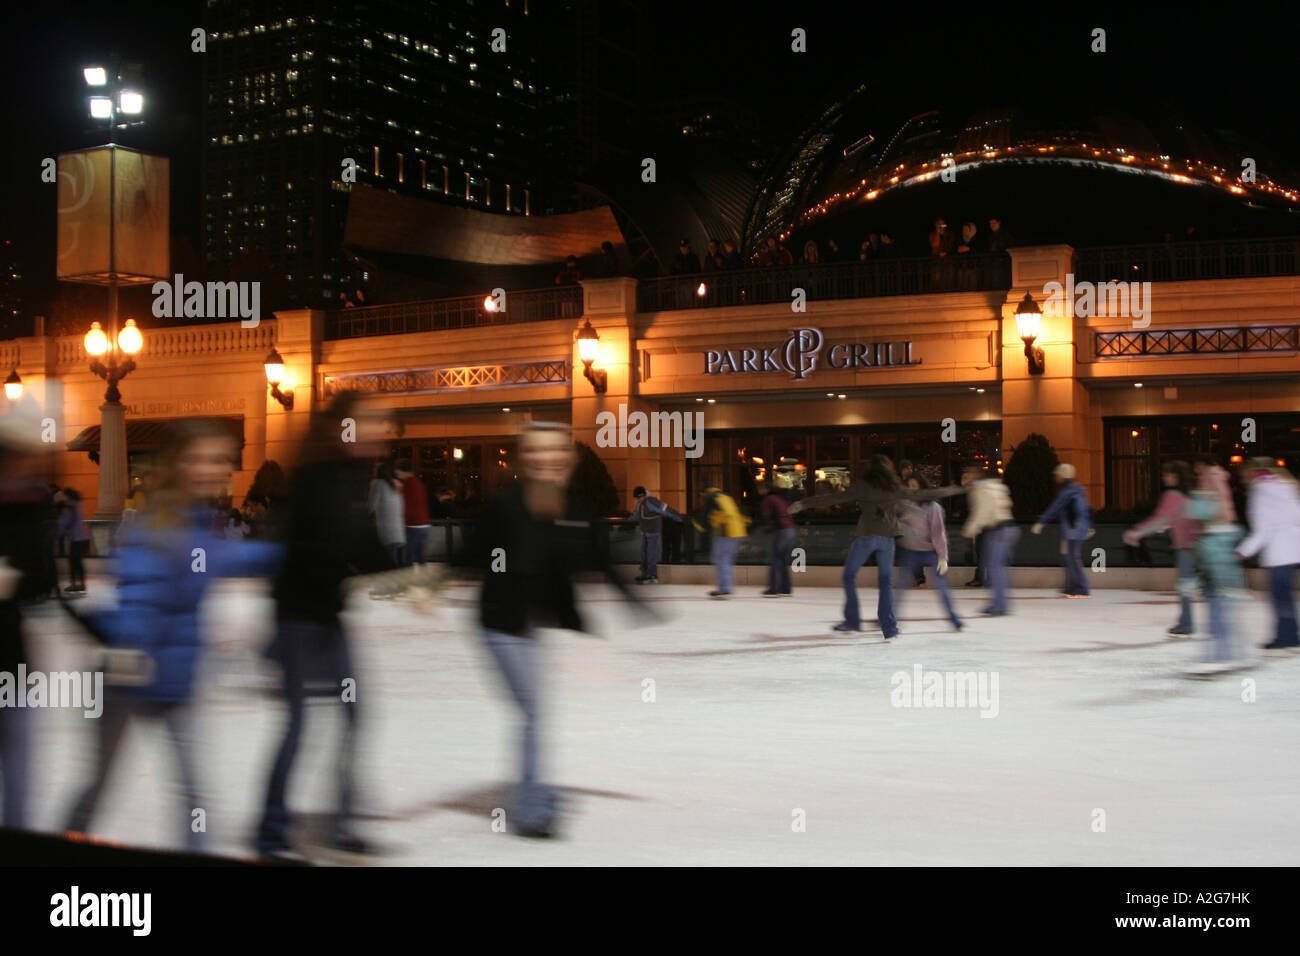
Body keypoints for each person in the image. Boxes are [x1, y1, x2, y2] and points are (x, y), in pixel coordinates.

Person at [64, 418, 282, 851]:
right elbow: (140, 594)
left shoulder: (198, 523)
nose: (214, 468)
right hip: (125, 678)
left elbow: (232, 556)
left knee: (194, 796)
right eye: (202, 458)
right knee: (99, 785)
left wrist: (302, 550)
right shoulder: (156, 522)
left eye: (220, 459)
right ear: (179, 464)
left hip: (175, 678)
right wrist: (133, 648)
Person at [464, 422, 651, 837]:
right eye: (536, 450)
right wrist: (426, 580)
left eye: (555, 450)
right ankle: (532, 812)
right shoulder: (505, 505)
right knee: (531, 713)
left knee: (534, 714)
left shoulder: (577, 509)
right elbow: (471, 556)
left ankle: (536, 795)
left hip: (534, 628)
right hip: (499, 624)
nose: (546, 457)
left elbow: (600, 562)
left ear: (569, 457)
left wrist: (638, 603)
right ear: (525, 458)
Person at [256, 392, 393, 859]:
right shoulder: (317, 478)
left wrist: (413, 578)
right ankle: (271, 833)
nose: (381, 431)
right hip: (299, 618)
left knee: (353, 714)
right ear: (344, 428)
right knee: (298, 726)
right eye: (372, 421)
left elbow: (364, 545)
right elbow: (322, 548)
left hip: (327, 618)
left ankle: (341, 825)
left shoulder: (352, 478)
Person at [791, 456, 962, 636]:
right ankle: (889, 628)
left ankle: (852, 621)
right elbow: (920, 495)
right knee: (886, 582)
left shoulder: (863, 485)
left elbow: (834, 498)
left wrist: (803, 504)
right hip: (887, 539)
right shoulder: (892, 487)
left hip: (867, 536)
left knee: (849, 576)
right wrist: (949, 490)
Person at [0, 404, 57, 830]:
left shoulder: (32, 505)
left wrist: (15, 578)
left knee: (19, 752)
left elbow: (42, 582)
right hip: (11, 651)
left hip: (11, 652)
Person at [1123, 461, 1197, 636]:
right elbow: (1178, 517)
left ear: (1175, 476)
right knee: (1191, 586)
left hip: (1186, 547)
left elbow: (1160, 519)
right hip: (1198, 544)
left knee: (1186, 587)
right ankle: (1187, 622)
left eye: (1167, 474)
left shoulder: (1172, 495)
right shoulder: (1187, 495)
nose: (1164, 477)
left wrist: (1136, 532)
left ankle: (1187, 624)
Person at [1235, 458, 1300, 653]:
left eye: (1243, 476)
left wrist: (1242, 552)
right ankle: (1289, 635)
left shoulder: (1261, 491)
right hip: (1293, 546)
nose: (1243, 480)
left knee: (1280, 596)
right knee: (1285, 595)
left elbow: (1262, 530)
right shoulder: (1285, 484)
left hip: (1278, 550)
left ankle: (1286, 637)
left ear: (1250, 473)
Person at [895, 475, 963, 631]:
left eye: (914, 485)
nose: (911, 489)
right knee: (900, 586)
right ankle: (890, 616)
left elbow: (938, 533)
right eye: (909, 485)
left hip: (930, 552)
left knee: (941, 586)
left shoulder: (934, 508)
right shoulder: (904, 505)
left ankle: (953, 619)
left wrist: (942, 557)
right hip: (910, 551)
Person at [961, 462, 1018, 616]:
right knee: (997, 568)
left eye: (968, 475)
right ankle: (1000, 603)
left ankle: (999, 605)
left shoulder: (980, 489)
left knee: (994, 568)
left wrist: (968, 531)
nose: (966, 478)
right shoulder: (995, 486)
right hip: (1009, 528)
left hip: (998, 530)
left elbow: (981, 512)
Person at [1032, 463, 1094, 597]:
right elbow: (1086, 509)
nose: (1056, 477)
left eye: (1058, 475)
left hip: (1073, 530)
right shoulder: (1078, 489)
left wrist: (1041, 523)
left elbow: (1055, 508)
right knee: (1068, 558)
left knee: (1072, 559)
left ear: (1063, 476)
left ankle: (1081, 588)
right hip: (1076, 530)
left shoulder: (1067, 491)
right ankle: (1071, 587)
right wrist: (1089, 526)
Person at [691, 486, 750, 598]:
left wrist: (698, 526)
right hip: (737, 530)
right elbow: (741, 510)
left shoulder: (711, 497)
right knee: (726, 560)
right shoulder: (725, 496)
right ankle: (725, 588)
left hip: (727, 531)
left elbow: (704, 515)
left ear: (703, 492)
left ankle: (725, 589)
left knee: (721, 559)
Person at [629, 486, 682, 584]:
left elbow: (665, 509)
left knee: (651, 553)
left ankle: (652, 575)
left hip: (653, 532)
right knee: (644, 553)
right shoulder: (641, 504)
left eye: (638, 497)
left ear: (642, 496)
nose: (636, 500)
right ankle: (645, 574)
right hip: (645, 532)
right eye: (636, 498)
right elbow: (636, 515)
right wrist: (628, 522)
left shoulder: (651, 502)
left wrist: (677, 517)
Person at [368, 461, 406, 597]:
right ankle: (397, 586)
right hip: (399, 531)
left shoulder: (377, 484)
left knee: (385, 561)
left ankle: (386, 587)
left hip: (386, 531)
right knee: (393, 561)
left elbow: (371, 506)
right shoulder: (395, 485)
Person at [758, 479, 800, 597]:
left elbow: (765, 516)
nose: (759, 490)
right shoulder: (780, 498)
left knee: (775, 560)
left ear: (766, 489)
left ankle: (773, 588)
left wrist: (767, 527)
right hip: (791, 529)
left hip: (782, 530)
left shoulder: (768, 499)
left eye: (760, 488)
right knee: (783, 560)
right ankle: (786, 589)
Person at [393, 459, 430, 567]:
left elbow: (405, 505)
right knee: (421, 557)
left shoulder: (408, 484)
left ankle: (407, 582)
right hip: (423, 524)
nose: (397, 474)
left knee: (408, 559)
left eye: (398, 472)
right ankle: (424, 581)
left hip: (412, 525)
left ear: (403, 470)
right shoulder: (419, 483)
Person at [57, 488, 90, 593]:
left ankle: (74, 584)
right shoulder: (77, 505)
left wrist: (58, 533)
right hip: (84, 538)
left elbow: (64, 523)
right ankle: (82, 584)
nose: (61, 496)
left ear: (67, 496)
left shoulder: (69, 507)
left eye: (63, 495)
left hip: (76, 539)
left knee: (73, 562)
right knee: (78, 562)